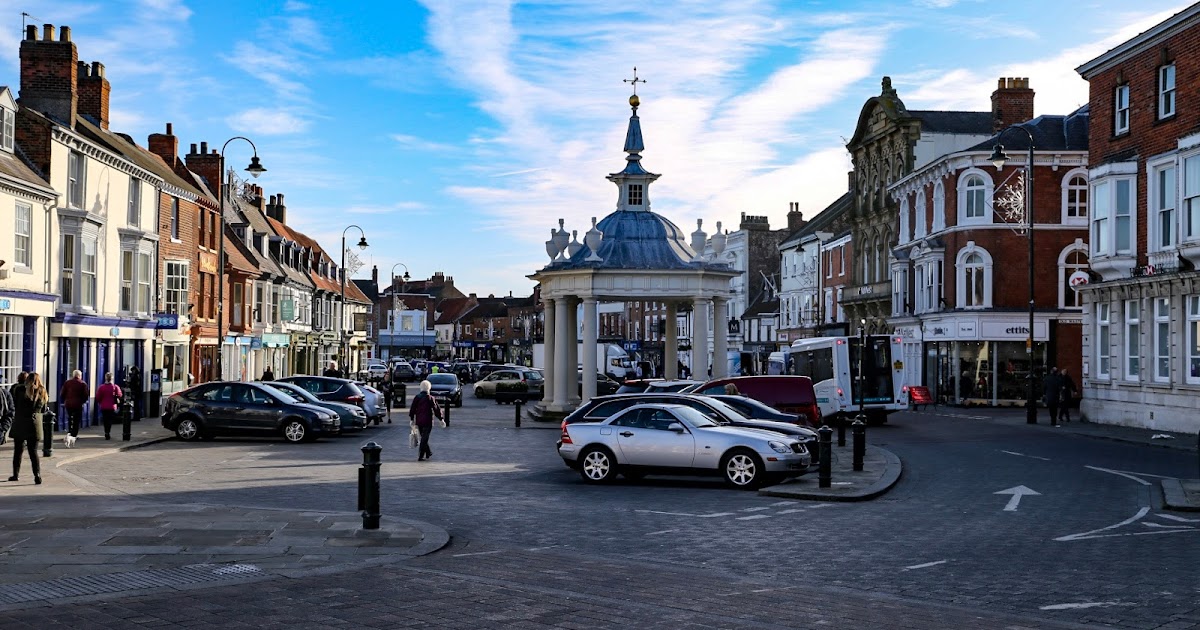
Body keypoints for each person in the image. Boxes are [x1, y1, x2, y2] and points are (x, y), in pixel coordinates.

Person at [10, 372, 48, 484]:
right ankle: (37, 475)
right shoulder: (42, 391)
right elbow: (44, 409)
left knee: (18, 451)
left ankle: (15, 475)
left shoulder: (19, 390)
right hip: (34, 424)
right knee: (33, 452)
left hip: (20, 422)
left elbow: (14, 404)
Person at [409, 380, 443, 462]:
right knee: (425, 438)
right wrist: (441, 419)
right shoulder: (431, 398)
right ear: (429, 388)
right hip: (428, 421)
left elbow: (412, 409)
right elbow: (436, 409)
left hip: (419, 421)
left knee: (423, 438)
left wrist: (411, 419)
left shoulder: (417, 397)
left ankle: (428, 452)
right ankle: (421, 455)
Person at [59, 369, 89, 443]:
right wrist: (83, 401)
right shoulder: (82, 384)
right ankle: (74, 435)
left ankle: (69, 432)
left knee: (69, 418)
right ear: (79, 376)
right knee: (76, 420)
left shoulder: (67, 383)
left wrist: (66, 400)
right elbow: (85, 395)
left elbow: (62, 393)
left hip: (68, 404)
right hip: (78, 404)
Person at [96, 372, 123, 441]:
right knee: (110, 420)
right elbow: (120, 395)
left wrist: (101, 402)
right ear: (112, 378)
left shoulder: (101, 387)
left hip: (104, 406)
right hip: (112, 406)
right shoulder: (115, 387)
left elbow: (98, 397)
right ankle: (108, 431)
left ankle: (106, 432)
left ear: (105, 378)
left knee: (105, 420)